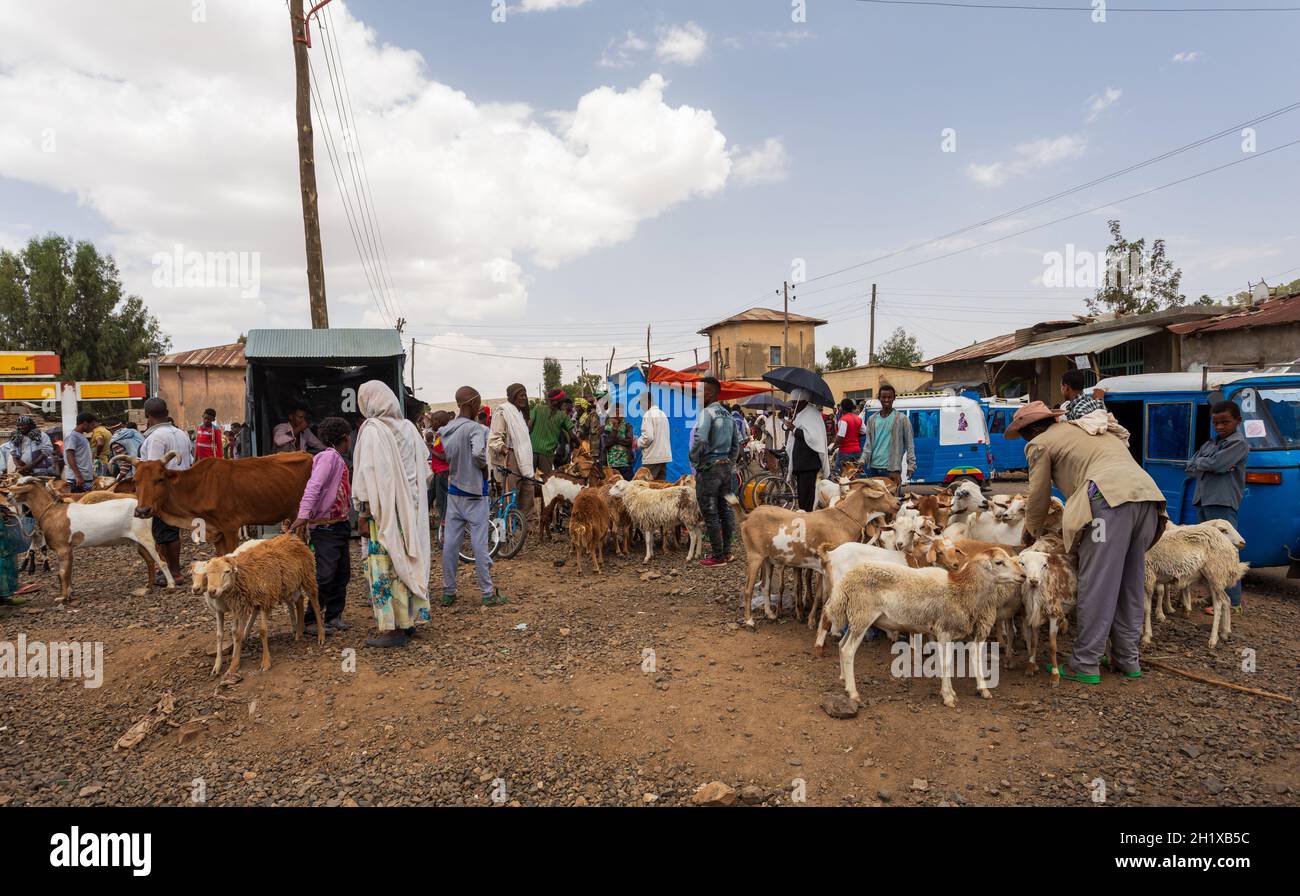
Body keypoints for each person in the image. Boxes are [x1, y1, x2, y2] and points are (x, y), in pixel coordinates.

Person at [1011, 400, 1166, 685]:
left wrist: (1031, 531)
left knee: (1098, 582)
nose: (1024, 440)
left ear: (1031, 429)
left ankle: (1085, 663)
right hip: (1149, 501)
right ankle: (1126, 658)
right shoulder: (1086, 430)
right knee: (1129, 582)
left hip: (1107, 505)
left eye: (1023, 434)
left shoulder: (1040, 443)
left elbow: (1038, 496)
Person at [351, 382, 432, 648]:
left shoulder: (373, 430)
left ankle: (394, 629)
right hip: (412, 511)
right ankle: (411, 621)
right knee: (409, 559)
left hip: (384, 513)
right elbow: (426, 470)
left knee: (386, 566)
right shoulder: (410, 429)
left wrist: (363, 513)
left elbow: (368, 475)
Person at [440, 386, 506, 608]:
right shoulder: (477, 429)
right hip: (476, 494)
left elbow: (440, 453)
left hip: (454, 492)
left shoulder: (447, 429)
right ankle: (487, 593)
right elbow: (479, 454)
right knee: (479, 543)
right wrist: (484, 467)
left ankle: (448, 592)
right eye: (478, 402)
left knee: (450, 543)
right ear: (471, 404)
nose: (479, 406)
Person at [289, 416, 354, 635]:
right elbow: (314, 486)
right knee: (326, 574)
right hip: (326, 528)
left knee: (342, 573)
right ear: (345, 438)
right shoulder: (329, 458)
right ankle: (310, 620)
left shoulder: (335, 458)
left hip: (339, 525)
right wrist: (304, 514)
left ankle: (334, 616)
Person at [1187, 399, 1249, 611]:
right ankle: (1214, 596)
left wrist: (1205, 463)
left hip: (1222, 502)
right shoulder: (1211, 443)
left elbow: (1217, 464)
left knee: (1227, 551)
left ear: (1238, 421)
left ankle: (1232, 602)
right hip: (1204, 500)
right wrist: (1207, 464)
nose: (1220, 427)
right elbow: (1191, 465)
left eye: (1225, 422)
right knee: (1208, 552)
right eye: (1216, 423)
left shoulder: (1238, 443)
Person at [140, 397, 193, 586]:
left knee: (164, 531)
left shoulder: (155, 438)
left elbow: (152, 471)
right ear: (167, 413)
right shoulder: (182, 434)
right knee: (170, 529)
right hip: (181, 487)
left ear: (147, 415)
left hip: (163, 491)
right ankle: (170, 569)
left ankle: (174, 573)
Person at [689, 377, 742, 567]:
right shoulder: (728, 415)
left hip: (710, 468)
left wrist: (694, 461)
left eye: (701, 391)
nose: (698, 395)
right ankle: (727, 552)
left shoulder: (707, 413)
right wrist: (729, 462)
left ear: (710, 393)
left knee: (710, 512)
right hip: (726, 468)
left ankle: (717, 556)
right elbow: (736, 444)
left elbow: (701, 440)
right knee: (725, 509)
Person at [488, 384, 537, 524]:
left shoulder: (520, 413)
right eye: (520, 395)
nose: (524, 398)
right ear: (512, 396)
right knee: (511, 493)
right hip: (510, 456)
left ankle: (525, 523)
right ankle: (506, 526)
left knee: (527, 488)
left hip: (525, 456)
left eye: (525, 395)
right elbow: (494, 438)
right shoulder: (503, 411)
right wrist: (504, 450)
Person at [785, 389, 829, 512]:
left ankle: (807, 517)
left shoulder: (812, 414)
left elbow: (813, 438)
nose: (793, 405)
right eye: (793, 402)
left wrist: (793, 429)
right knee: (802, 495)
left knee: (807, 496)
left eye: (795, 402)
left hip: (808, 463)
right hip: (800, 463)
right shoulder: (800, 413)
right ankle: (804, 515)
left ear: (803, 401)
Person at [862, 384, 915, 485]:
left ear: (894, 398)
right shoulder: (872, 420)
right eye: (884, 397)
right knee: (875, 499)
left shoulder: (902, 419)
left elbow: (910, 444)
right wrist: (862, 460)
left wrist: (911, 465)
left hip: (892, 470)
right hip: (874, 469)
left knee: (893, 499)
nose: (886, 400)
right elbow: (867, 445)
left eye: (889, 397)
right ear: (879, 398)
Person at [529, 388, 575, 478]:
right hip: (547, 453)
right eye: (562, 400)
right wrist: (578, 443)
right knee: (546, 481)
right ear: (557, 401)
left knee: (529, 479)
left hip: (532, 450)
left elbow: (529, 428)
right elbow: (572, 436)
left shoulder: (538, 408)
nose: (564, 403)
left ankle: (531, 492)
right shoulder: (562, 416)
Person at [639, 390, 672, 479]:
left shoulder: (648, 415)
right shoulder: (662, 414)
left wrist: (637, 442)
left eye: (641, 403)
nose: (641, 406)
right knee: (660, 486)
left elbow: (648, 437)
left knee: (647, 487)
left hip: (652, 457)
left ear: (647, 402)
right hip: (663, 456)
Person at [62, 412, 98, 493]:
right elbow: (69, 456)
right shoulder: (72, 436)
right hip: (77, 479)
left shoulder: (81, 436)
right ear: (85, 423)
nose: (93, 427)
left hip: (85, 477)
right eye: (92, 425)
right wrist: (78, 476)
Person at [428, 412, 451, 527]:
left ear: (440, 422)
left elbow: (445, 456)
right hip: (438, 473)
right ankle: (424, 521)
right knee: (429, 496)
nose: (431, 423)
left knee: (442, 502)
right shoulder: (438, 436)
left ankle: (445, 526)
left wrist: (430, 450)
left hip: (443, 473)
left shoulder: (445, 436)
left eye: (433, 421)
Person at [601, 403, 635, 480]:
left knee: (628, 485)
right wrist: (615, 429)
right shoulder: (607, 428)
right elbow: (607, 442)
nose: (620, 414)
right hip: (611, 465)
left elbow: (629, 441)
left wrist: (615, 439)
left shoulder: (628, 426)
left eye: (621, 412)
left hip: (625, 464)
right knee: (613, 486)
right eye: (617, 412)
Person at [831, 398, 864, 475]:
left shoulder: (843, 420)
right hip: (857, 451)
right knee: (854, 474)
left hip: (845, 452)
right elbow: (864, 432)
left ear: (842, 408)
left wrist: (832, 448)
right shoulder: (858, 419)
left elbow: (840, 437)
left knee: (839, 474)